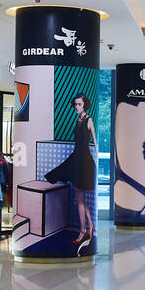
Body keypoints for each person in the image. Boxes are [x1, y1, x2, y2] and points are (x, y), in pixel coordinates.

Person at [45, 93, 96, 243]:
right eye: (75, 104)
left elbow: (95, 142)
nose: (76, 107)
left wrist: (97, 160)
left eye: (79, 104)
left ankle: (83, 230)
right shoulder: (78, 119)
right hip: (76, 158)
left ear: (85, 105)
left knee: (79, 196)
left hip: (83, 160)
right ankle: (90, 226)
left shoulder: (89, 120)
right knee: (79, 197)